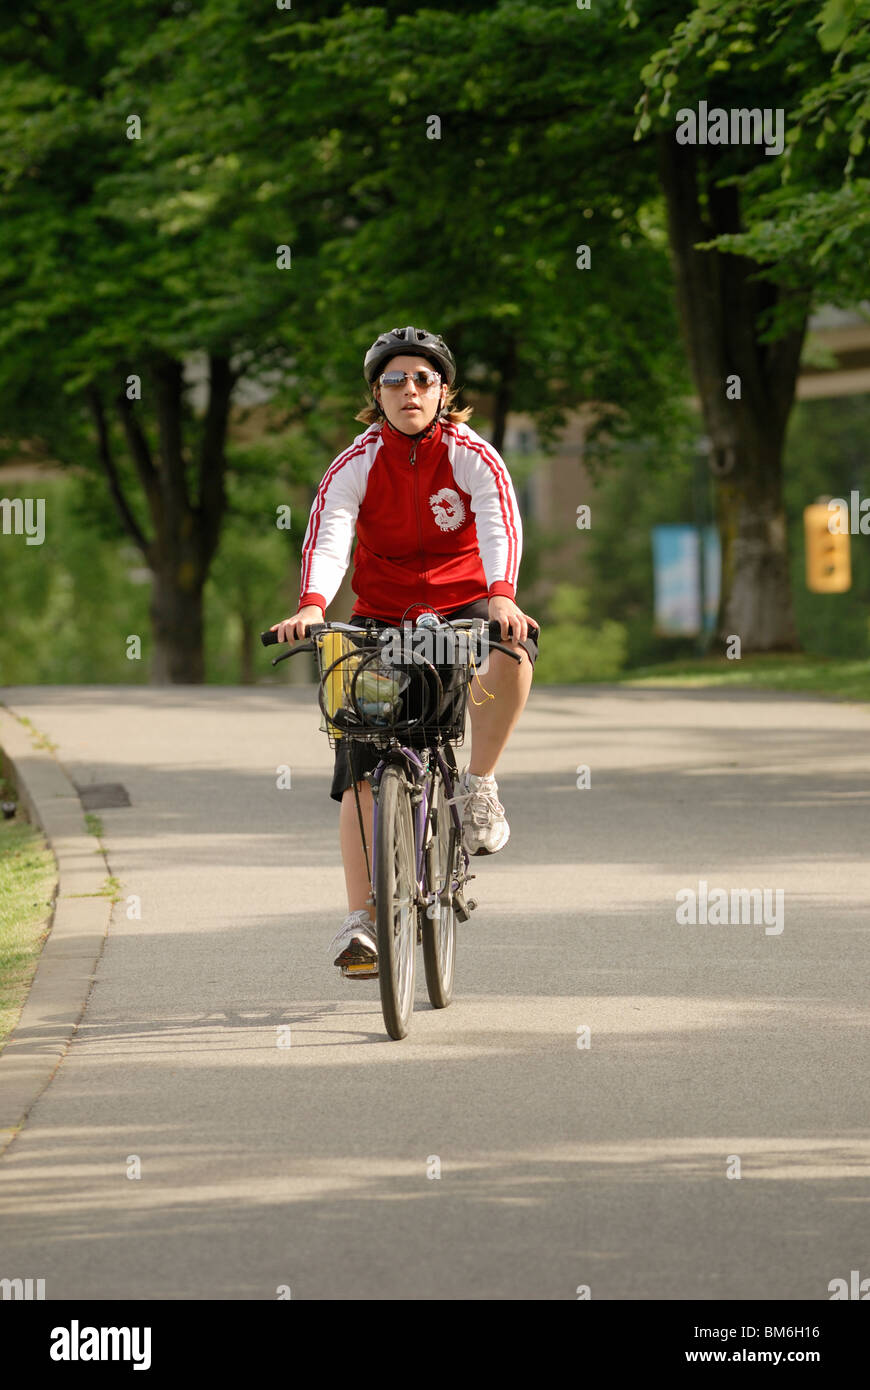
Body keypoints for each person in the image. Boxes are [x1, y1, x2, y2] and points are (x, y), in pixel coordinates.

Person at [271, 325, 539, 975]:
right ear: (377, 393)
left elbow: (500, 519)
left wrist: (502, 595)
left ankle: (478, 783)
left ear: (444, 391)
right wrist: (312, 604)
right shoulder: (356, 461)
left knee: (516, 647)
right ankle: (362, 919)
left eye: (423, 378)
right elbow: (330, 533)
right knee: (362, 765)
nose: (409, 390)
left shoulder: (472, 453)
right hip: (382, 613)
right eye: (395, 379)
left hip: (465, 603)